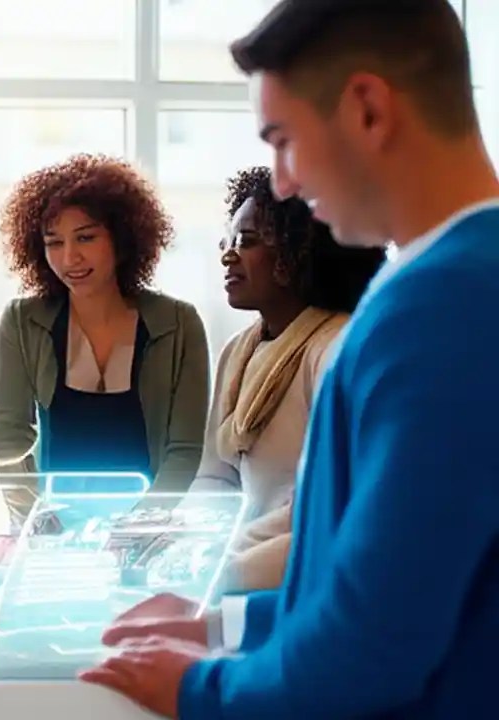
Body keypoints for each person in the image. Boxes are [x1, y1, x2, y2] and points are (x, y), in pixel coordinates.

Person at [83, 1, 499, 718]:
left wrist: (195, 687)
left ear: (368, 109)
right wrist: (221, 626)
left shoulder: (442, 307)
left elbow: (374, 649)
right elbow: (397, 589)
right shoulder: (446, 284)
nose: (280, 182)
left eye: (283, 140)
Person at [191, 166, 383, 592]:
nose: (227, 255)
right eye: (228, 241)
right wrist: (187, 541)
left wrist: (221, 565)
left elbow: (322, 507)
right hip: (235, 566)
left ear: (297, 253)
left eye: (247, 242)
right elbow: (216, 474)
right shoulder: (236, 351)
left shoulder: (335, 348)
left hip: (299, 575)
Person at [0, 154, 209, 520]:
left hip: (145, 532)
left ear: (122, 239)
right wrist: (35, 518)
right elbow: (10, 435)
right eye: (53, 242)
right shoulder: (21, 321)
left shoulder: (179, 324)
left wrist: (139, 525)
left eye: (86, 237)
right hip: (51, 531)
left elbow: (183, 449)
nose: (69, 257)